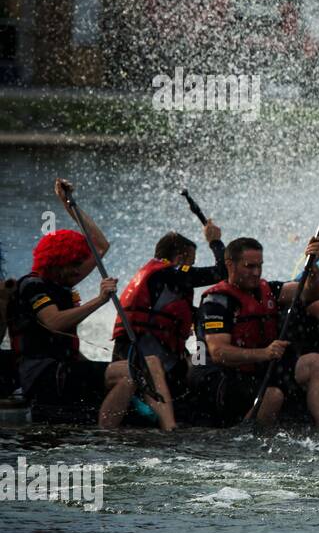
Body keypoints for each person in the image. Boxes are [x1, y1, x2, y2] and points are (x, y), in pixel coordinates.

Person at [8, 179, 134, 426]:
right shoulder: (33, 285)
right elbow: (53, 322)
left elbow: (99, 246)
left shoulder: (64, 279)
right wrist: (99, 300)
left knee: (134, 367)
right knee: (127, 375)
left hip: (65, 367)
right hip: (42, 374)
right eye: (74, 266)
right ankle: (109, 437)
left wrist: (68, 205)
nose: (80, 272)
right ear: (57, 264)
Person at [189, 236, 319, 427]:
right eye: (249, 266)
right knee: (273, 395)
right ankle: (249, 441)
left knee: (316, 363)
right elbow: (219, 353)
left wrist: (311, 267)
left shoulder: (269, 289)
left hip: (256, 372)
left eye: (259, 266)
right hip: (220, 377)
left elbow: (311, 292)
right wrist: (265, 353)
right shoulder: (216, 302)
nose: (256, 272)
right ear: (230, 265)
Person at [110, 223, 226, 430]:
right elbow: (222, 272)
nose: (192, 267)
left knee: (196, 362)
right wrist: (215, 242)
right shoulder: (168, 273)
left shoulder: (158, 279)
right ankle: (173, 423)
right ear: (180, 258)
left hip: (144, 356)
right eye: (191, 262)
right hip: (142, 361)